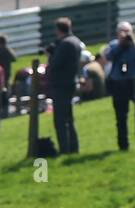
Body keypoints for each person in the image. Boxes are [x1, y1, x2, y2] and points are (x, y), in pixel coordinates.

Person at [104, 21, 135, 150]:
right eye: (123, 31)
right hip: (119, 83)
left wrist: (133, 44)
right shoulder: (113, 45)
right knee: (121, 116)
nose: (125, 34)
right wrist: (120, 44)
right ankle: (123, 145)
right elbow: (108, 57)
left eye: (127, 31)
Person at [47, 17, 85, 154]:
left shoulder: (64, 44)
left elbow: (55, 64)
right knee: (68, 118)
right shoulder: (75, 41)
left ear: (58, 30)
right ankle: (73, 148)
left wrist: (50, 55)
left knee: (60, 120)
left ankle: (65, 149)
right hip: (70, 81)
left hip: (61, 83)